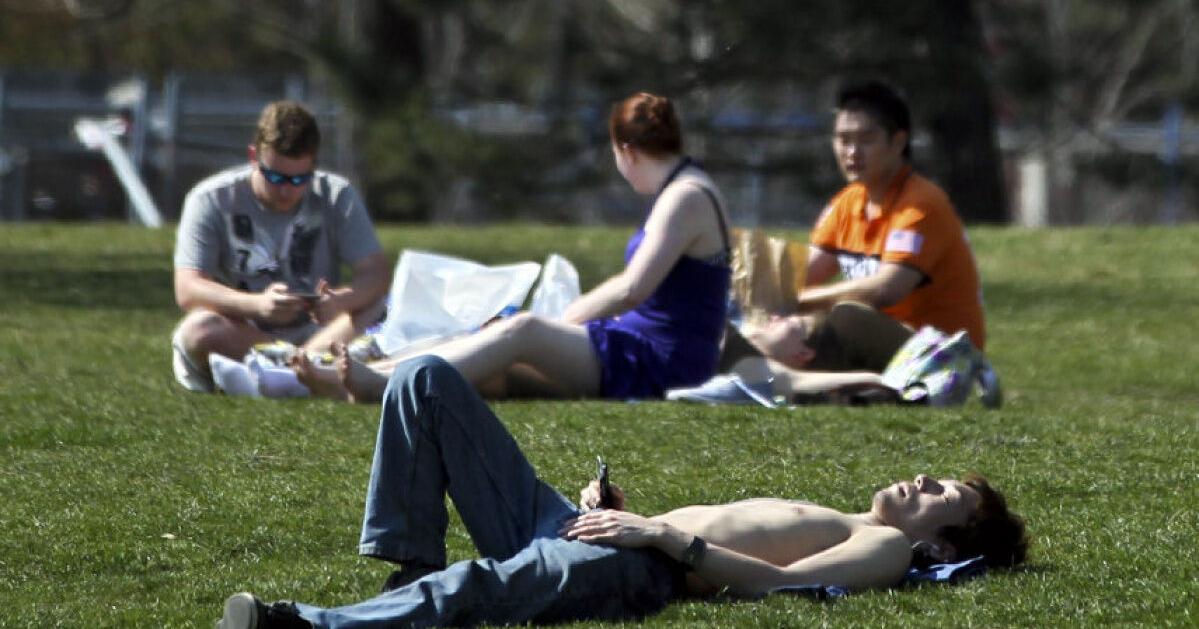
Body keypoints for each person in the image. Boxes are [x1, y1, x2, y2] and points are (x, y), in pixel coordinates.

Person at [215, 355, 1028, 628]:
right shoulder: (848, 511)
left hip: (643, 570)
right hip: (596, 528)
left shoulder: (885, 547)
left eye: (939, 492)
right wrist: (623, 506)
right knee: (425, 380)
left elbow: (791, 585)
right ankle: (405, 573)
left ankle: (303, 626)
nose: (918, 479)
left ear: (942, 543)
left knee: (483, 586)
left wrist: (661, 538)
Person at [294, 91, 731, 402]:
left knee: (523, 330)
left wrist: (563, 320)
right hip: (637, 343)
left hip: (660, 361)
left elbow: (632, 289)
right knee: (492, 357)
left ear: (627, 150)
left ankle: (382, 385)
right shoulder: (684, 189)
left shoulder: (685, 197)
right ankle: (366, 377)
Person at [171, 100, 391, 393]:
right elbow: (188, 288)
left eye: (300, 179)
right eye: (275, 177)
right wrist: (257, 305)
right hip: (246, 332)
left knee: (384, 304)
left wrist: (341, 301)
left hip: (321, 333)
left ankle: (291, 372)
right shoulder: (211, 199)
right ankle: (308, 373)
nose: (287, 190)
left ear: (314, 164)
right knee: (199, 329)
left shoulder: (336, 194)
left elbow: (375, 272)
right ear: (254, 156)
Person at [799, 80, 986, 350]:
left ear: (898, 142)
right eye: (843, 140)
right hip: (887, 344)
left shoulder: (920, 205)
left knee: (844, 316)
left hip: (941, 354)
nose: (852, 152)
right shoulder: (847, 202)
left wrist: (798, 302)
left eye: (866, 140)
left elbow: (885, 290)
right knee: (779, 326)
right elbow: (801, 275)